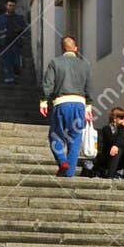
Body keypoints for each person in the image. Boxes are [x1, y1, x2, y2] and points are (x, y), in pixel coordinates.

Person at [39, 35, 92, 177]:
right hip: (80, 104)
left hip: (61, 103)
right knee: (75, 140)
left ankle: (62, 161)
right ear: (76, 49)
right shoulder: (85, 65)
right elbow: (88, 87)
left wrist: (44, 100)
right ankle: (69, 174)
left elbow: (48, 83)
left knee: (55, 136)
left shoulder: (55, 63)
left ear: (62, 48)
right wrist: (88, 107)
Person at [0, 0, 24, 83]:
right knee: (7, 62)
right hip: (4, 44)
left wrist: (21, 31)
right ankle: (9, 81)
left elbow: (25, 29)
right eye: (10, 5)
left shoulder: (19, 18)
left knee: (16, 63)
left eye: (13, 6)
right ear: (6, 6)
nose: (11, 7)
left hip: (16, 44)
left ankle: (15, 76)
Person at [95, 106, 124, 179]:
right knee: (118, 149)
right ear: (114, 119)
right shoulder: (107, 129)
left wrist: (122, 129)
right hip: (108, 156)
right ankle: (110, 176)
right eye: (122, 117)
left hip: (122, 157)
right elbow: (111, 143)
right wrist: (121, 128)